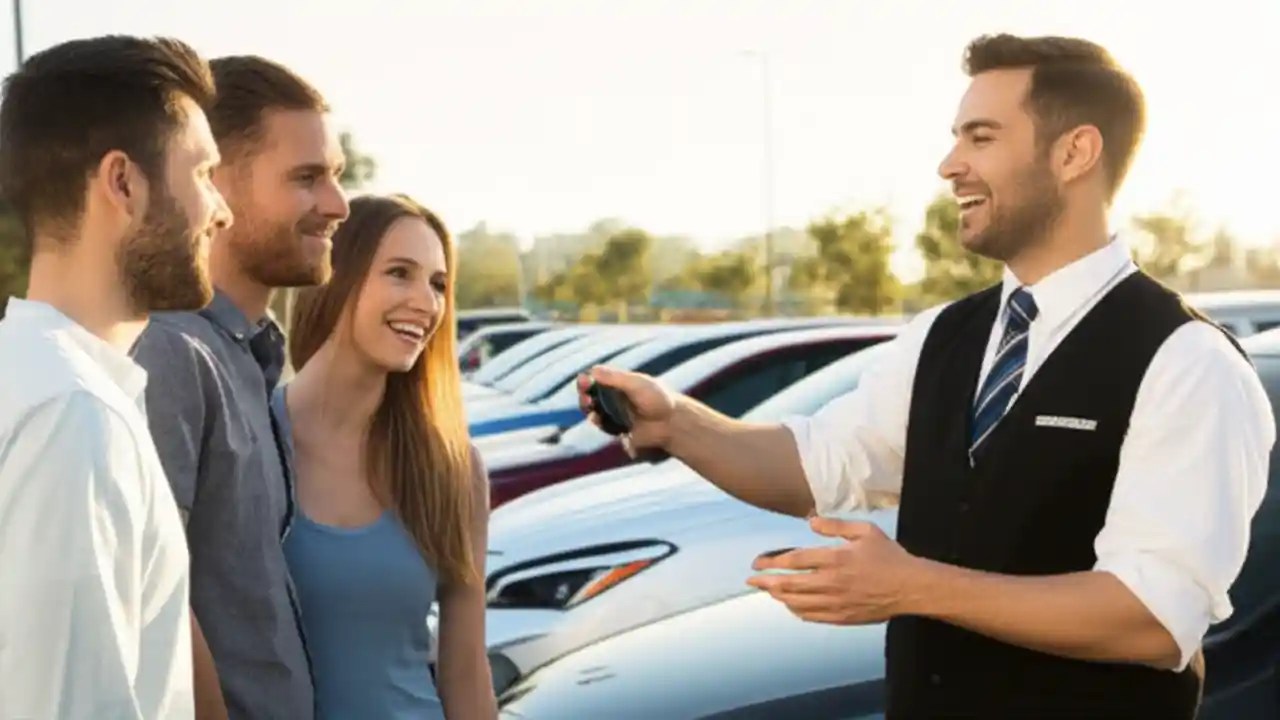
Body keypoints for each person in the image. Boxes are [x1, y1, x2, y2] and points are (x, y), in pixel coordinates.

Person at [579, 33, 1275, 718]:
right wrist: (677, 421)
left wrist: (913, 587)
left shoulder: (1187, 362)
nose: (950, 165)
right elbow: (819, 463)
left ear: (1075, 152)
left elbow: (1151, 621)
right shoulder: (945, 335)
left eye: (981, 137)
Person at [0, 35, 231, 718]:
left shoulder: (45, 385)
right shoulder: (72, 415)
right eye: (204, 174)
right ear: (123, 183)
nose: (222, 210)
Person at [131, 56, 349, 719]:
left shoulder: (251, 355)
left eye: (335, 177)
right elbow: (151, 609)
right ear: (216, 181)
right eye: (308, 178)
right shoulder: (169, 354)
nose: (338, 205)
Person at [274, 194, 496, 719]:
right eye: (400, 273)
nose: (427, 302)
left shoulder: (452, 468)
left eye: (439, 284)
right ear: (336, 275)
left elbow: (465, 672)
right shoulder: (247, 441)